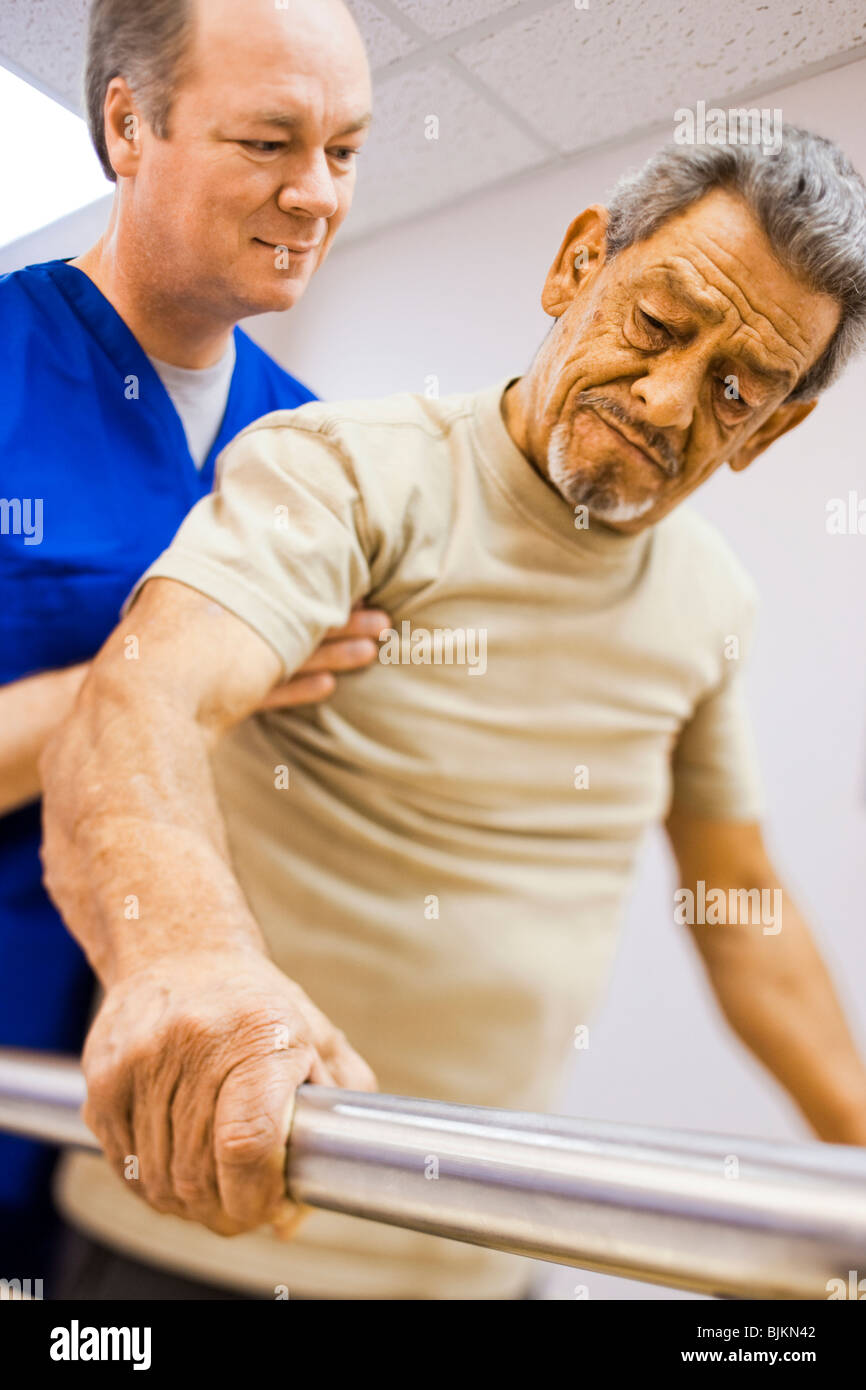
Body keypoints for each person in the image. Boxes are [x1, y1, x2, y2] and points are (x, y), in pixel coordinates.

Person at [42, 127, 866, 1302]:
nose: (667, 398)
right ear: (578, 264)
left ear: (770, 430)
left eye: (736, 388)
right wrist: (190, 966)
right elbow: (138, 706)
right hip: (190, 1233)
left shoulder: (707, 603)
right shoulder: (343, 474)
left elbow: (739, 910)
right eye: (658, 322)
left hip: (472, 1259)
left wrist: (856, 1164)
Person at [0, 0, 385, 1278]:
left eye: (343, 149)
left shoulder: (324, 457)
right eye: (268, 140)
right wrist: (157, 684)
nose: (314, 193)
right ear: (127, 124)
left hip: (170, 1162)